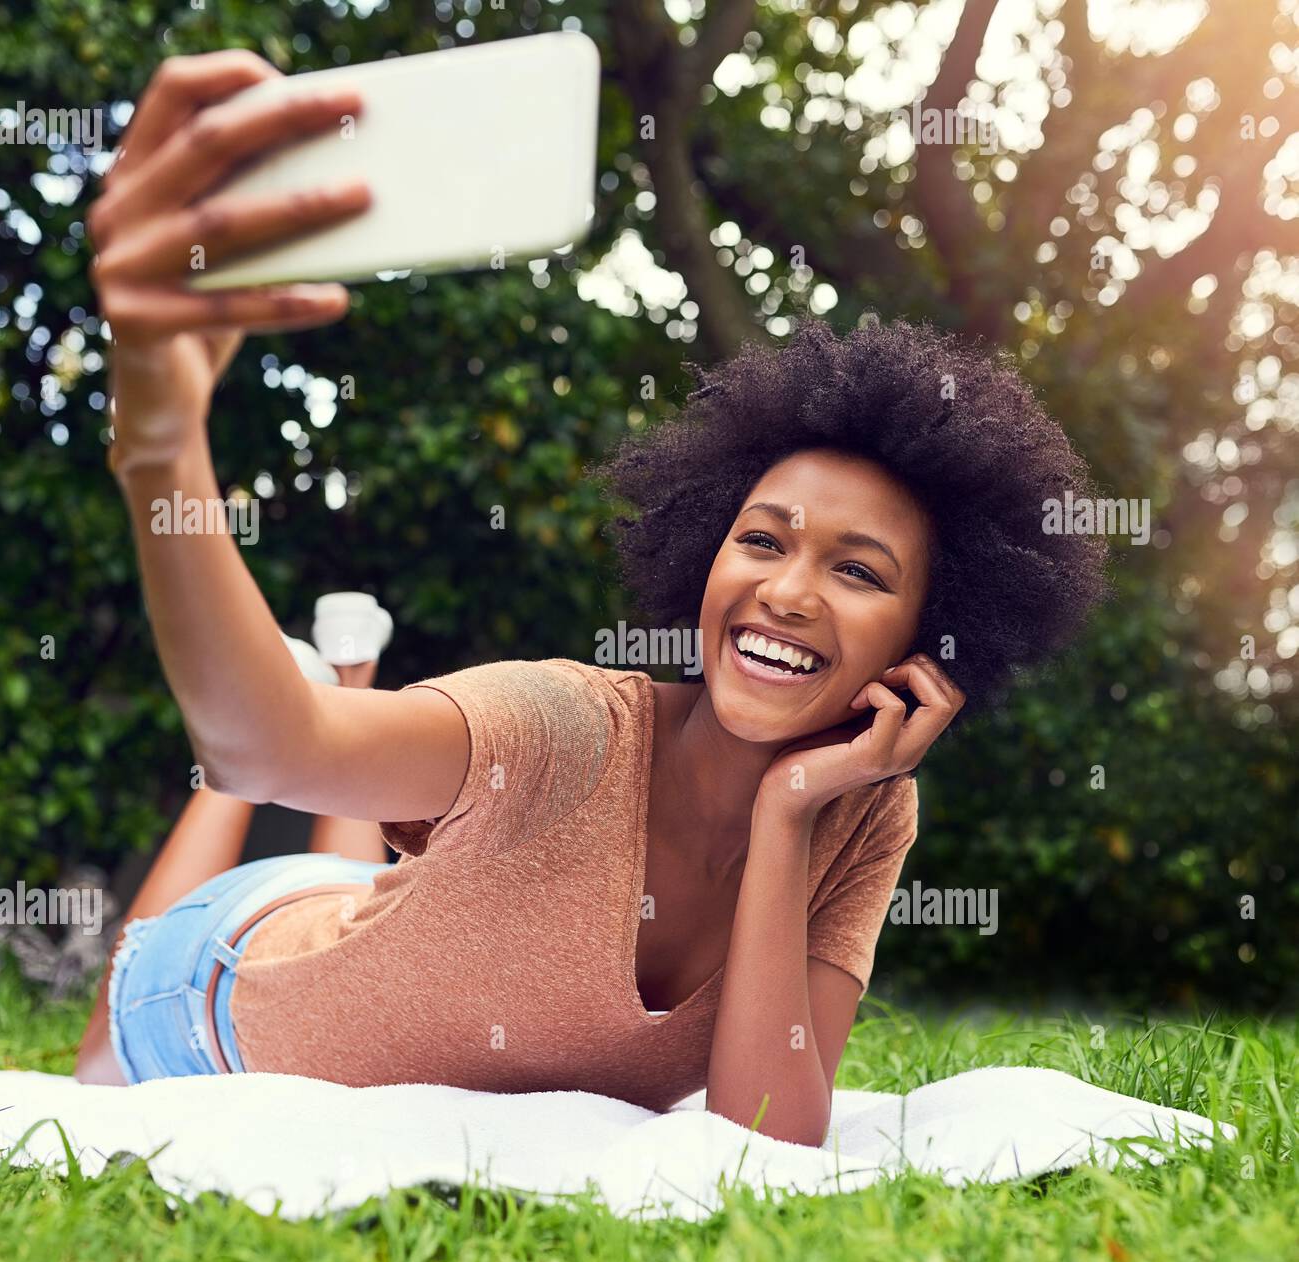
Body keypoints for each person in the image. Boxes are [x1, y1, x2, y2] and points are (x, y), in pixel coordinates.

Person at [73, 52, 1106, 1146]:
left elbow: (770, 1131)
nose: (788, 592)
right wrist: (161, 443)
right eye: (761, 540)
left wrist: (788, 811)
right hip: (200, 994)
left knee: (373, 874)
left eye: (858, 571)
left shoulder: (861, 805)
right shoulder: (566, 728)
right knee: (257, 803)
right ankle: (330, 683)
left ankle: (346, 679)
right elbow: (266, 748)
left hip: (382, 912)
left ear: (926, 634)